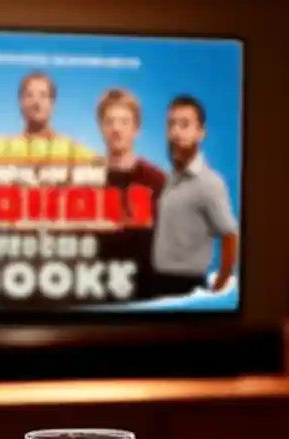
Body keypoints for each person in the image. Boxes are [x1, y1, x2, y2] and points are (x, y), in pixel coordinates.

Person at [151, 95, 239, 298]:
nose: (175, 132)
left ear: (200, 132)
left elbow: (229, 235)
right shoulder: (168, 178)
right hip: (158, 282)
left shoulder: (209, 183)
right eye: (171, 124)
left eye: (184, 125)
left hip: (186, 286)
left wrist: (219, 286)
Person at [96, 88, 166, 301]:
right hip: (97, 294)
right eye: (110, 122)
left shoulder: (157, 181)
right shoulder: (85, 179)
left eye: (124, 122)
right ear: (101, 127)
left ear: (137, 129)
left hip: (147, 298)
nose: (116, 129)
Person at [18, 70, 59, 141]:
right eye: (29, 95)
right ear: (21, 102)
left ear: (52, 103)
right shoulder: (6, 148)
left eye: (43, 95)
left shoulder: (71, 149)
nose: (36, 102)